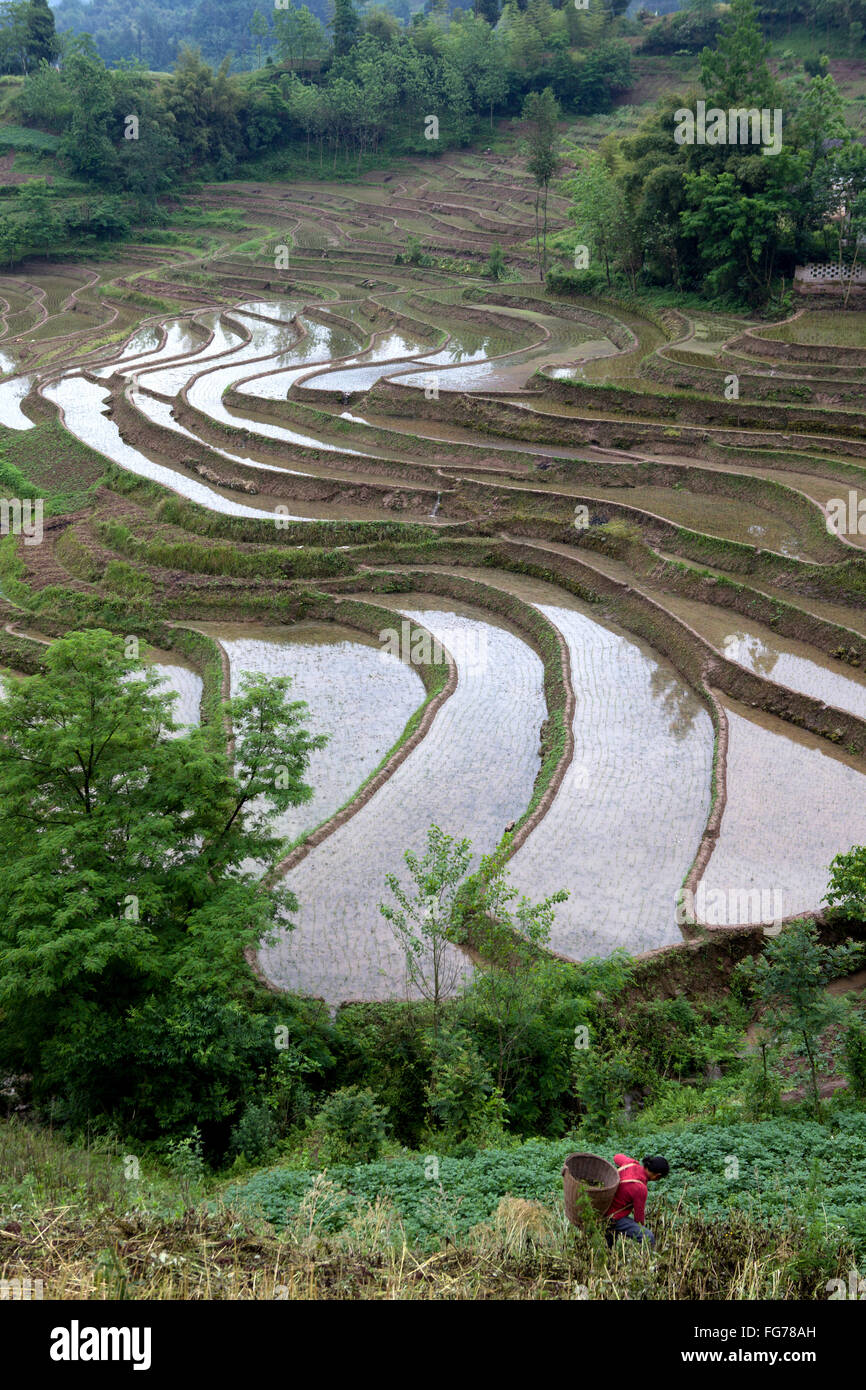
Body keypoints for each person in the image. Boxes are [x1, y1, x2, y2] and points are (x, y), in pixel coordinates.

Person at [605, 1154, 669, 1248]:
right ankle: (646, 1259)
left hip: (602, 1209)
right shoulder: (640, 1188)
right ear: (657, 1176)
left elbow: (616, 1157)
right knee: (648, 1237)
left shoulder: (630, 1163)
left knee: (609, 1246)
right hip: (613, 1218)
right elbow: (639, 1219)